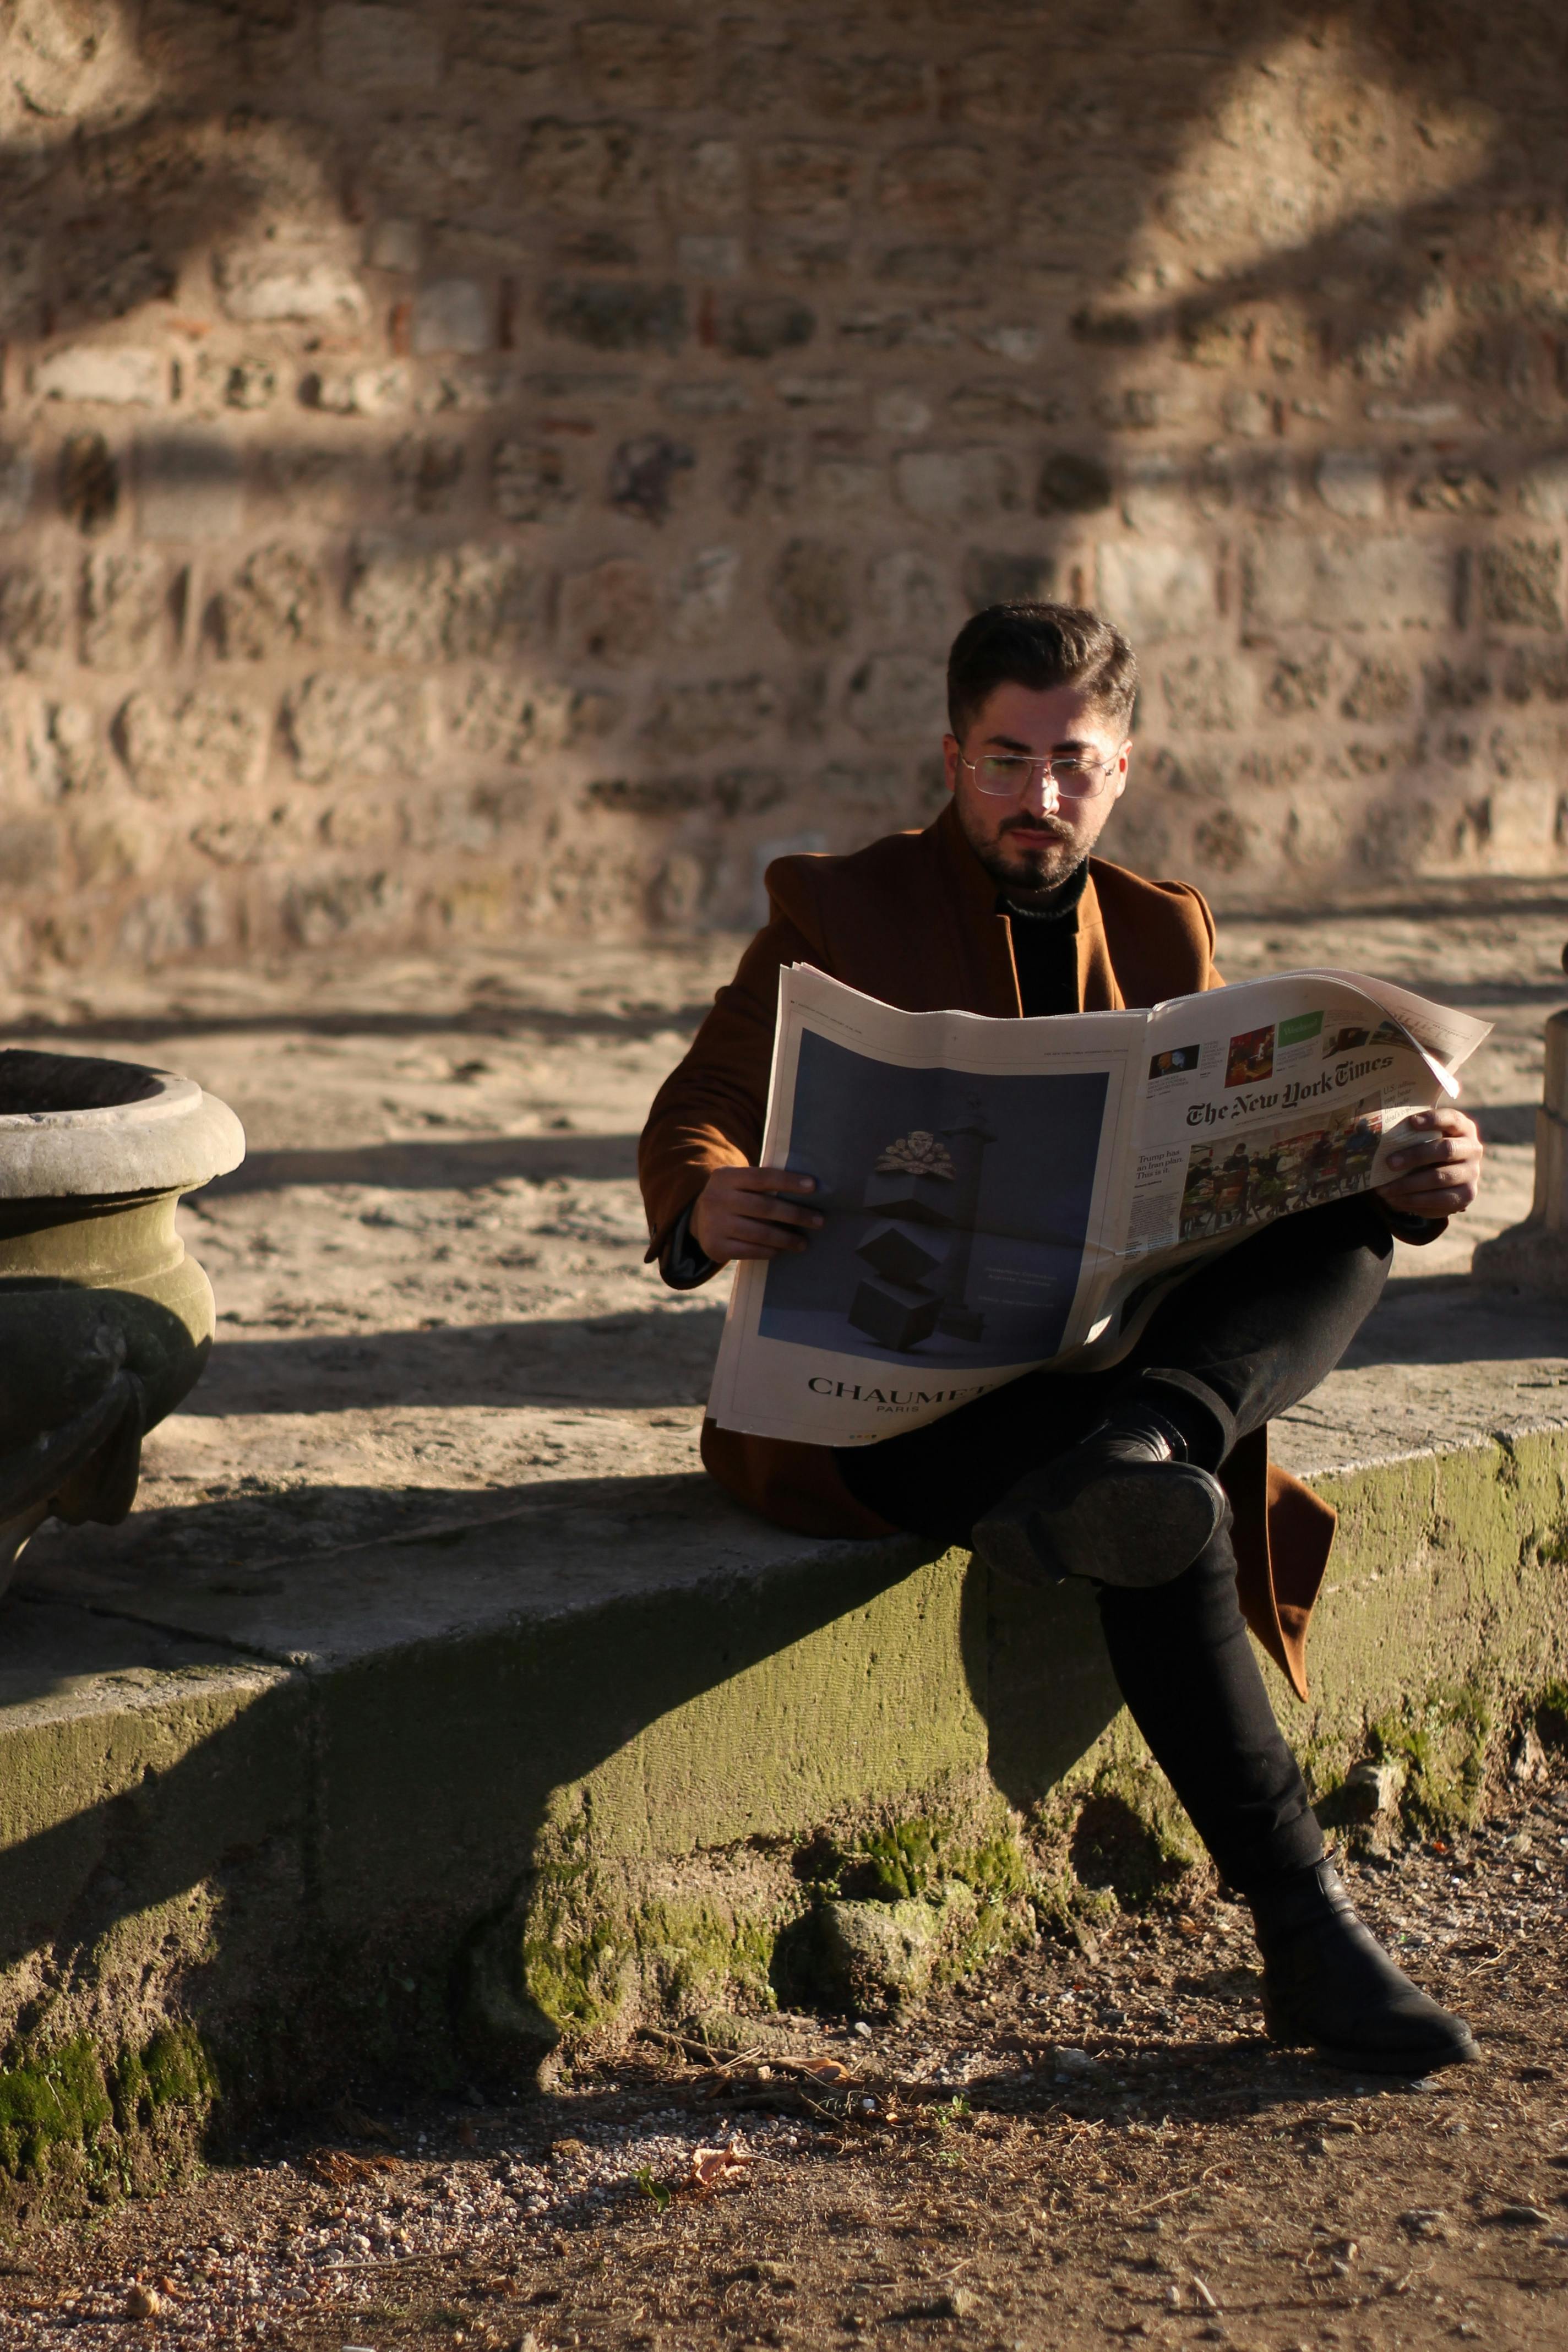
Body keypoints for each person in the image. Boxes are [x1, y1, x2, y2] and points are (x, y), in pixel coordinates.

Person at [639, 603, 1485, 2075]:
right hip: (900, 1403)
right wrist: (709, 1195)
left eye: (1072, 764)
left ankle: (1149, 1432)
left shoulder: (1165, 923)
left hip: (1098, 1357)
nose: (1038, 799)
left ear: (1123, 766)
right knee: (1164, 1521)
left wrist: (1399, 1173)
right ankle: (1306, 1931)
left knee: (1344, 1220)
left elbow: (1226, 1155)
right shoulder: (838, 907)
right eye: (1005, 761)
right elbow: (700, 1100)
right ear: (953, 756)